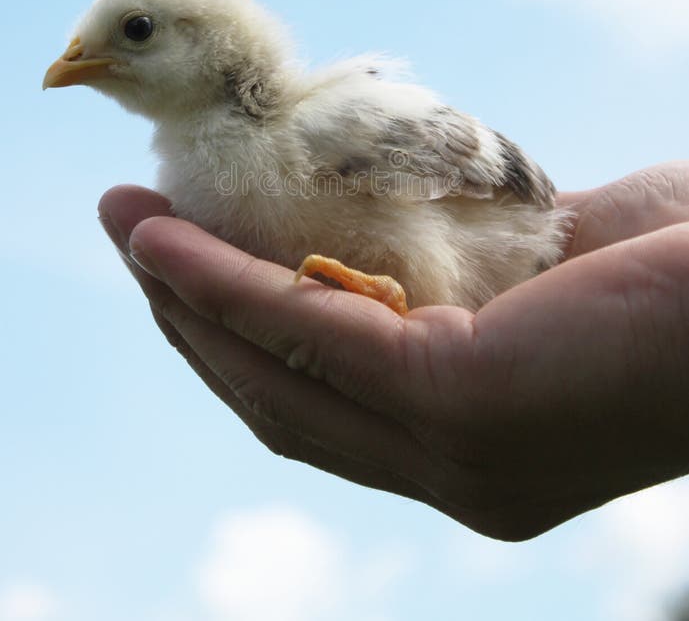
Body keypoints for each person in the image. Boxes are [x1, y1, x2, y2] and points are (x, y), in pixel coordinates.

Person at [98, 162, 689, 541]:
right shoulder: (206, 173)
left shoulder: (314, 127)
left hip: (492, 256)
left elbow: (516, 191)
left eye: (138, 32)